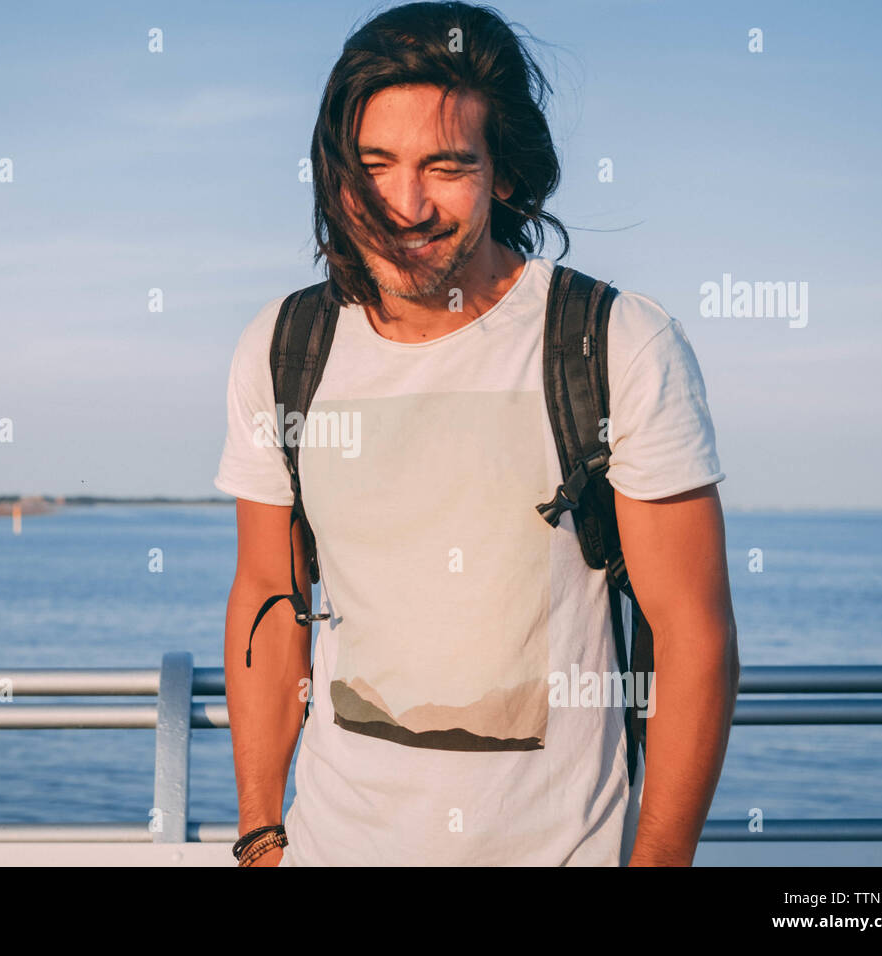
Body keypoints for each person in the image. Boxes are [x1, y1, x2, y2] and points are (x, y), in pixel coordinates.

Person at [215, 1, 739, 866]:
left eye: (446, 165)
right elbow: (270, 596)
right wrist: (261, 835)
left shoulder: (612, 342)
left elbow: (694, 635)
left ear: (501, 174)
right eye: (373, 164)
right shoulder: (284, 348)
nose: (404, 204)